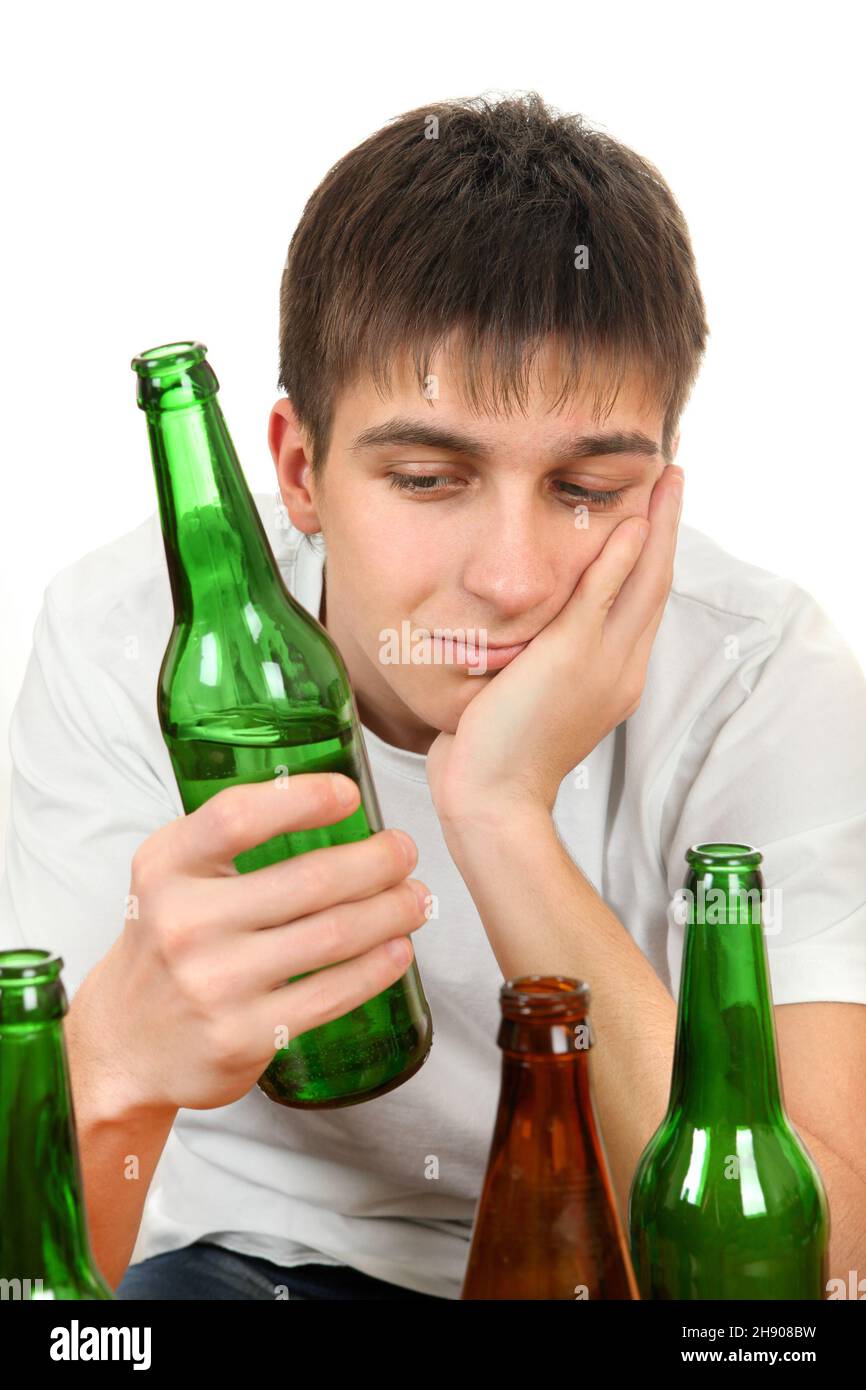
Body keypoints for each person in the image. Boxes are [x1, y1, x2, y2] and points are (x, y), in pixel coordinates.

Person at [2, 93, 865, 1302]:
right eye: (426, 476)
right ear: (298, 472)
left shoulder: (761, 673)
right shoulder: (128, 636)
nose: (508, 581)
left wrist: (502, 811)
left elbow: (807, 1275)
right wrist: (112, 1069)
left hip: (610, 1276)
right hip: (253, 1269)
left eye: (584, 486)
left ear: (662, 489)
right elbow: (47, 1299)